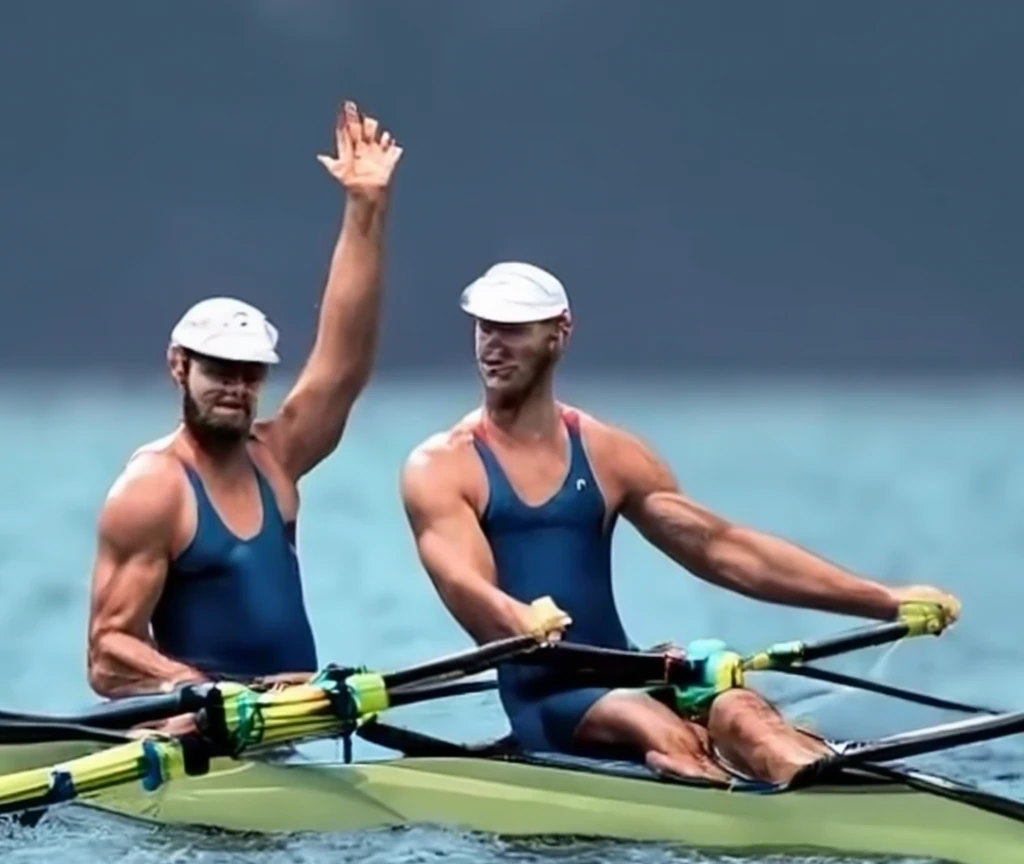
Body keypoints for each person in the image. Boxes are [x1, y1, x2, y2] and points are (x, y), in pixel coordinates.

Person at [400, 261, 961, 784]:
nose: (493, 346)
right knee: (660, 728)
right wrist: (518, 617)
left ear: (560, 332)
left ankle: (831, 790)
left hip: (629, 669)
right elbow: (462, 584)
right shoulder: (443, 466)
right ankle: (747, 798)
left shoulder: (610, 453)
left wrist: (884, 601)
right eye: (485, 329)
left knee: (745, 711)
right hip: (545, 697)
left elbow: (723, 549)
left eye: (513, 330)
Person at [87, 101, 403, 698]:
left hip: (292, 724)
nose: (236, 388)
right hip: (204, 735)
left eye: (250, 374)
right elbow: (107, 654)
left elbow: (344, 363)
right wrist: (197, 687)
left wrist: (366, 208)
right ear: (180, 366)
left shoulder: (275, 458)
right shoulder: (153, 490)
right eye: (220, 371)